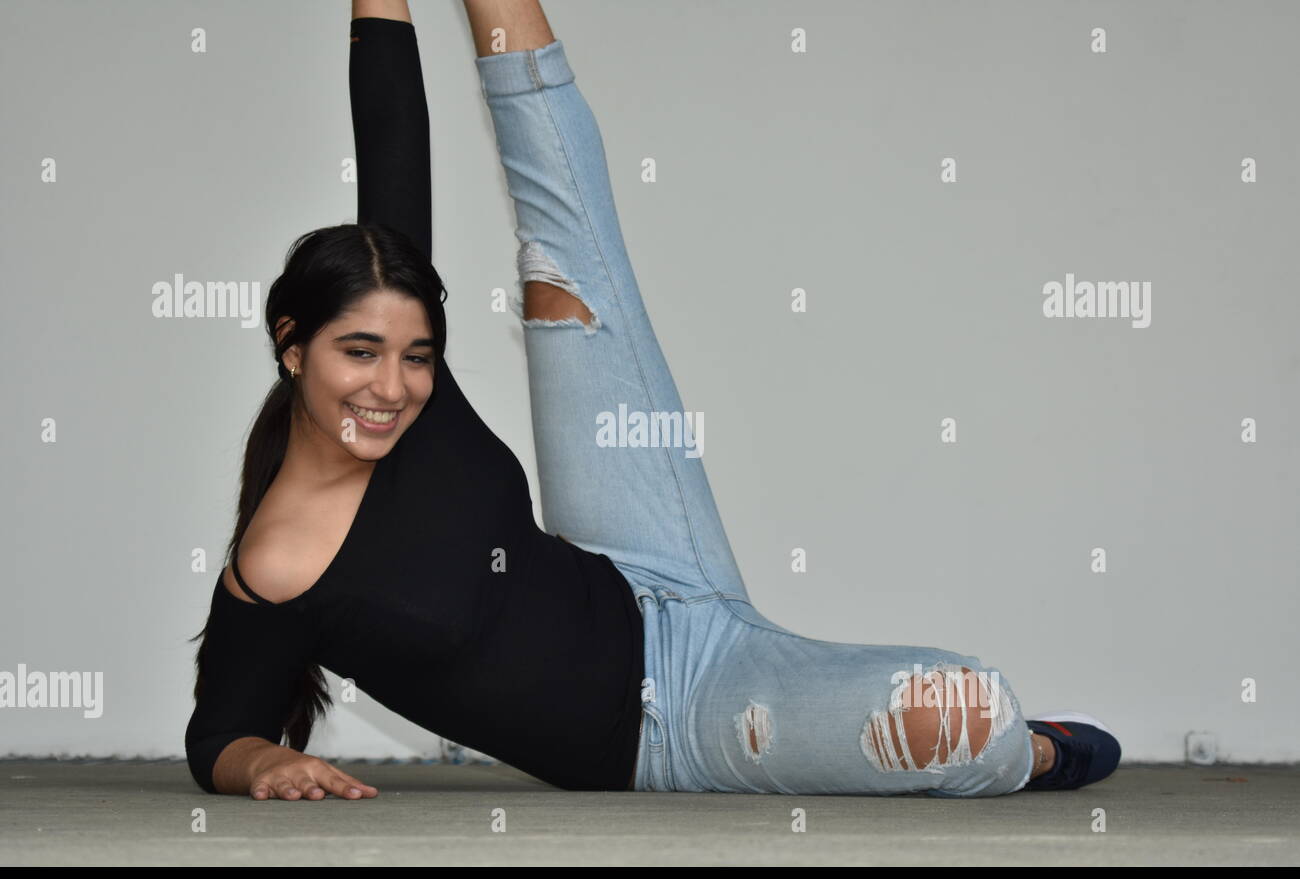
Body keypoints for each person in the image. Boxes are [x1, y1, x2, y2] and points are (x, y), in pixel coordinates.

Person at [185, 0, 1120, 801]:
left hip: (635, 550)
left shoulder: (414, 399)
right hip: (684, 720)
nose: (392, 388)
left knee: (567, 259)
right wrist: (264, 761)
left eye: (418, 356)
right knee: (962, 715)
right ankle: (1036, 750)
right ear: (291, 344)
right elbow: (219, 731)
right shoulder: (277, 561)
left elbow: (390, 127)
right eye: (359, 353)